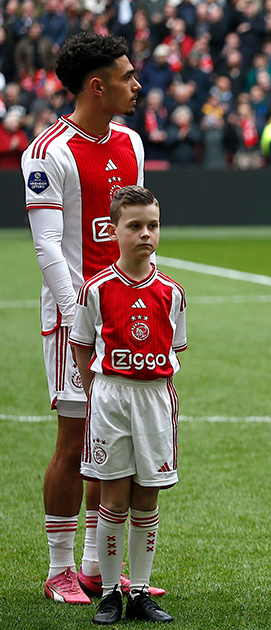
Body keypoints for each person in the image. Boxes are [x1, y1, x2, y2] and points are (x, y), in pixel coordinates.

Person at [20, 32, 164, 604]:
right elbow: (48, 246)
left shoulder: (131, 143)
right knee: (74, 439)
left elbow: (138, 229)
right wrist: (85, 313)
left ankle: (94, 566)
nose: (138, 85)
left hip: (131, 316)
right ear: (98, 85)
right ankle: (59, 567)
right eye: (128, 77)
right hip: (76, 317)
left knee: (118, 444)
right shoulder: (49, 152)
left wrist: (148, 298)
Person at [70, 186, 185, 624]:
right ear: (112, 231)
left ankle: (139, 592)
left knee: (147, 497)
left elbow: (176, 347)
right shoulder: (96, 289)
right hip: (110, 396)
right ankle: (110, 593)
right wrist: (96, 389)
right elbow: (82, 346)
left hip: (155, 396)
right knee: (113, 498)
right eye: (134, 226)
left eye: (152, 226)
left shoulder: (171, 292)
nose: (145, 234)